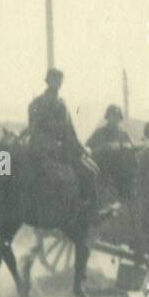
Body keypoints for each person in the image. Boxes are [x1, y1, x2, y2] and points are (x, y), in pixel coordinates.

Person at [27, 68, 94, 205]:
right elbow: (34, 130)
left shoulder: (62, 104)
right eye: (54, 79)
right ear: (48, 81)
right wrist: (51, 145)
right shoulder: (37, 103)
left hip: (62, 149)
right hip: (42, 151)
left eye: (59, 80)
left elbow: (70, 131)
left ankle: (85, 207)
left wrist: (82, 149)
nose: (57, 83)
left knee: (90, 170)